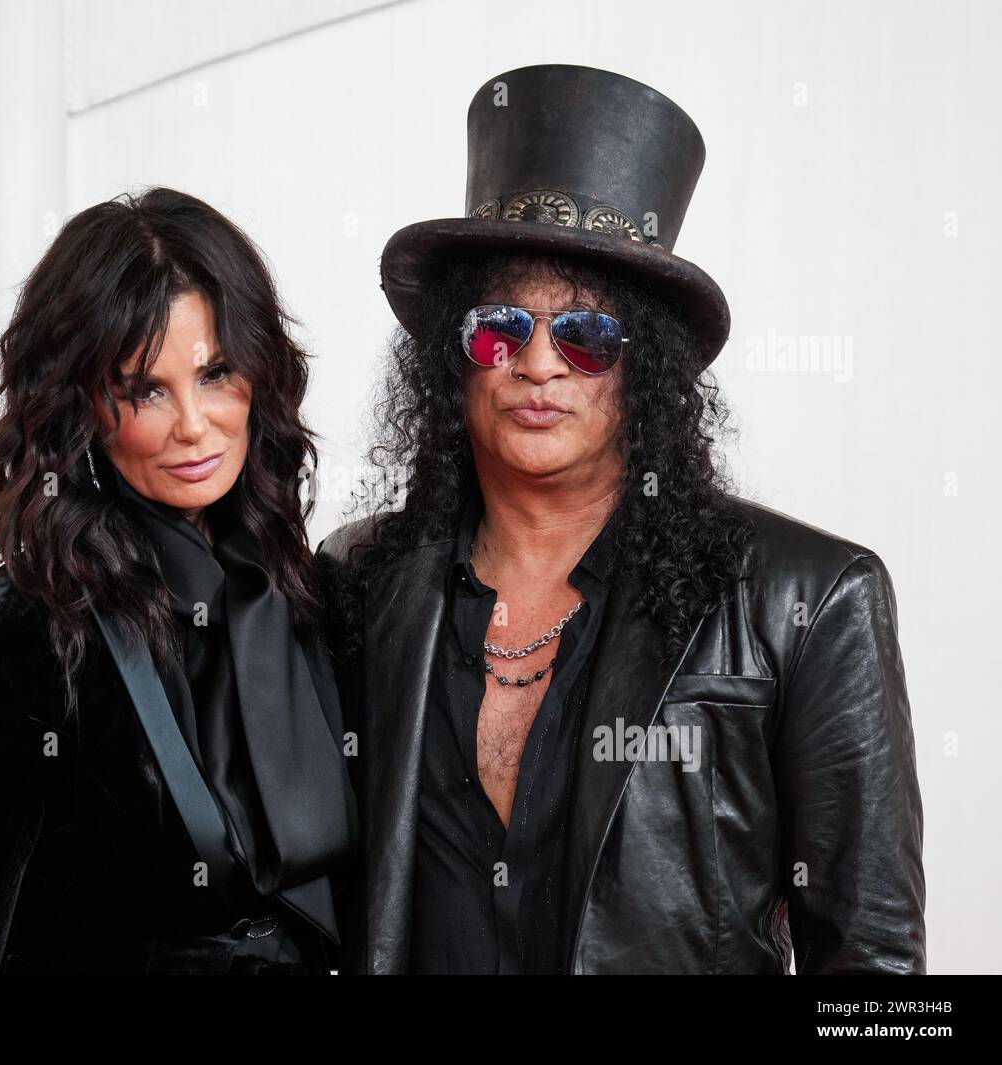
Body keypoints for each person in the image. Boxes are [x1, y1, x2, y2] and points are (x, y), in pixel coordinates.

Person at [317, 64, 925, 974]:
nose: (538, 364)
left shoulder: (809, 597)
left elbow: (875, 965)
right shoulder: (361, 579)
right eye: (499, 327)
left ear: (649, 371)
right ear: (455, 357)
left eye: (586, 335)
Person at [0, 187, 356, 974]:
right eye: (145, 391)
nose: (194, 425)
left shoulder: (315, 596)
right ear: (82, 406)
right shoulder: (7, 648)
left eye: (216, 373)